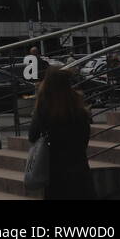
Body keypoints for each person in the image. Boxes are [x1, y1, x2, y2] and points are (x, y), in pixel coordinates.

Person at [28, 65, 96, 201]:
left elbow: (32, 135)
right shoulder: (77, 107)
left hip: (56, 170)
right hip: (79, 168)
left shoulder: (45, 107)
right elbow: (84, 137)